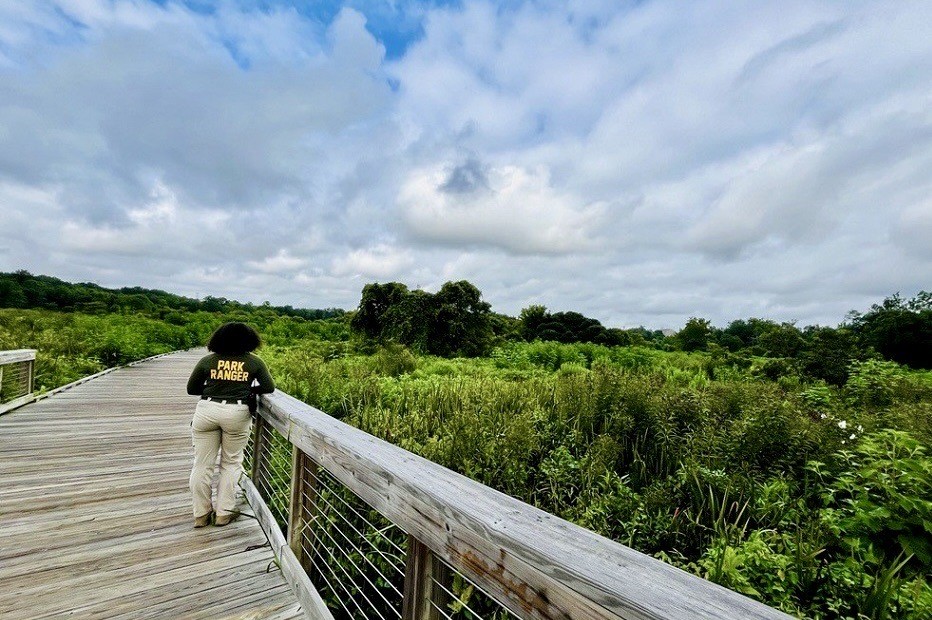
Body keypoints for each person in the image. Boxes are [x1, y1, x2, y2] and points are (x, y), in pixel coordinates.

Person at [186, 322, 275, 528]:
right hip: (237, 412)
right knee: (231, 462)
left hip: (207, 410)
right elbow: (269, 387)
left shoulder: (207, 361)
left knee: (202, 464)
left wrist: (214, 386)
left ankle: (200, 515)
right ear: (249, 340)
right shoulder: (254, 362)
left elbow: (192, 389)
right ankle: (223, 514)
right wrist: (248, 389)